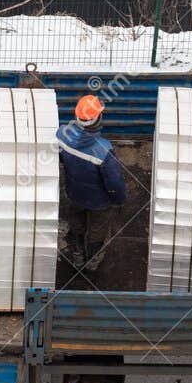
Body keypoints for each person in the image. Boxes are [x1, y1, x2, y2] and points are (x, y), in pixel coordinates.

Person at [57, 94, 127, 272]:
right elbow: (114, 183)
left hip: (74, 195)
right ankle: (92, 263)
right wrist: (119, 200)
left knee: (77, 225)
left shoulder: (62, 136)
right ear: (98, 119)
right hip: (99, 203)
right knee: (97, 232)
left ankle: (77, 256)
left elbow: (61, 158)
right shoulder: (104, 150)